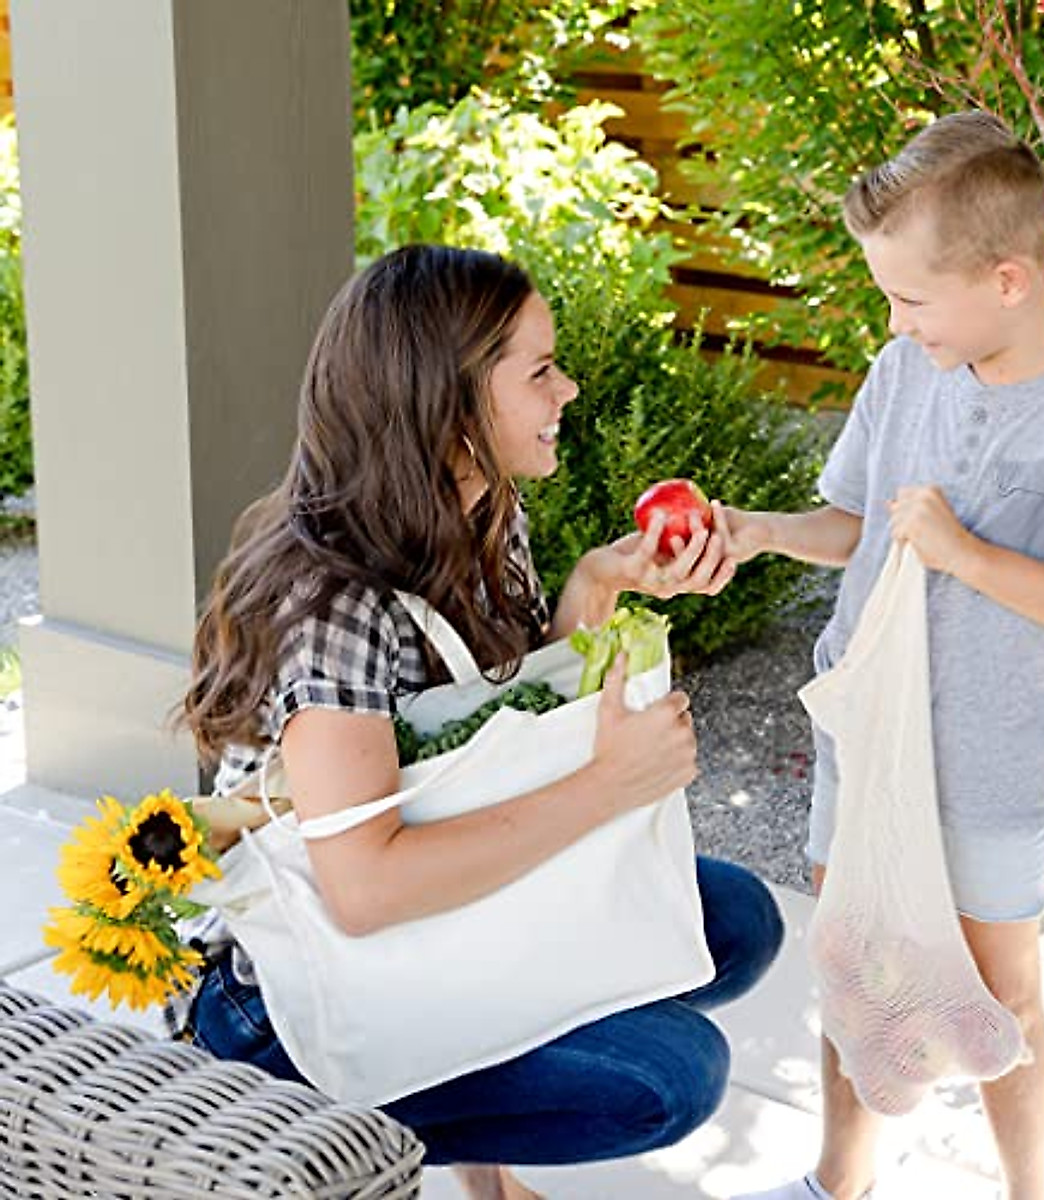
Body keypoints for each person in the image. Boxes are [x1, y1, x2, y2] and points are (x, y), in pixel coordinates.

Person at [173, 243, 784, 1200]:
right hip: (292, 997)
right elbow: (364, 888)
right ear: (447, 407)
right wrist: (608, 786)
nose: (570, 390)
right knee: (673, 1076)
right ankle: (355, 1127)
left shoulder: (486, 518)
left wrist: (595, 589)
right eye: (540, 372)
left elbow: (490, 739)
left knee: (735, 921)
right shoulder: (331, 601)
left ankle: (480, 1146)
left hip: (420, 928)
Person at [716, 111, 1044, 1200]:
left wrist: (968, 556)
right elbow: (857, 524)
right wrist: (764, 530)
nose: (895, 318)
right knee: (853, 968)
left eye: (912, 298)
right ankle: (842, 1181)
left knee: (1000, 1000)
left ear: (1008, 280)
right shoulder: (903, 369)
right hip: (866, 744)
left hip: (988, 773)